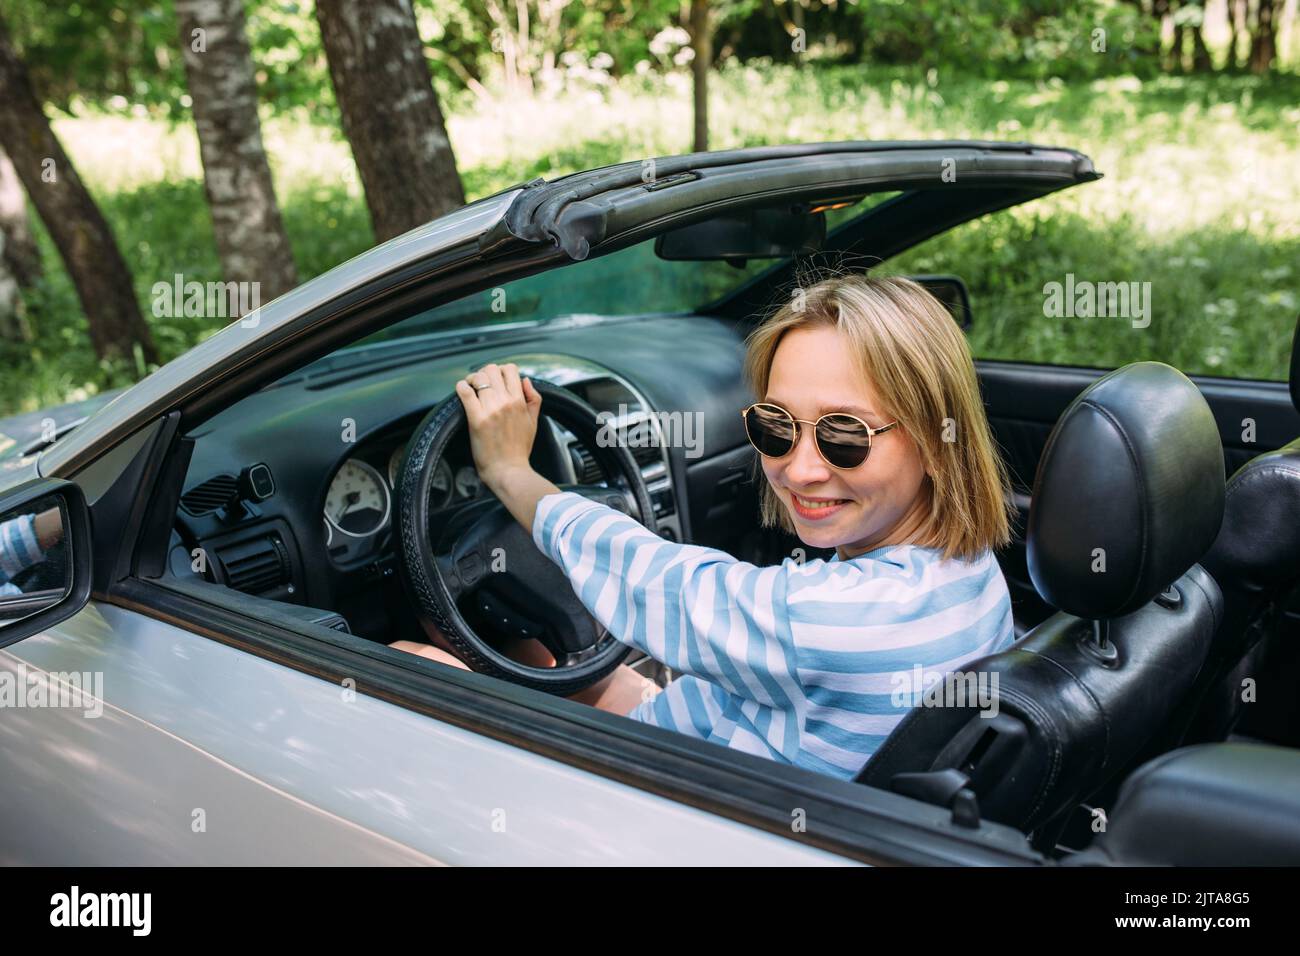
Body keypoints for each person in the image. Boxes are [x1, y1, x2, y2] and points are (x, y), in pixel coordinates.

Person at [392, 274, 1015, 780]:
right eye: (775, 426)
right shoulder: (973, 570)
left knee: (407, 665)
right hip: (741, 741)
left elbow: (662, 583)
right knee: (520, 651)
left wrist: (510, 473)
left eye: (843, 436)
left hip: (673, 814)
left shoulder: (830, 622)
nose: (798, 469)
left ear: (938, 439)